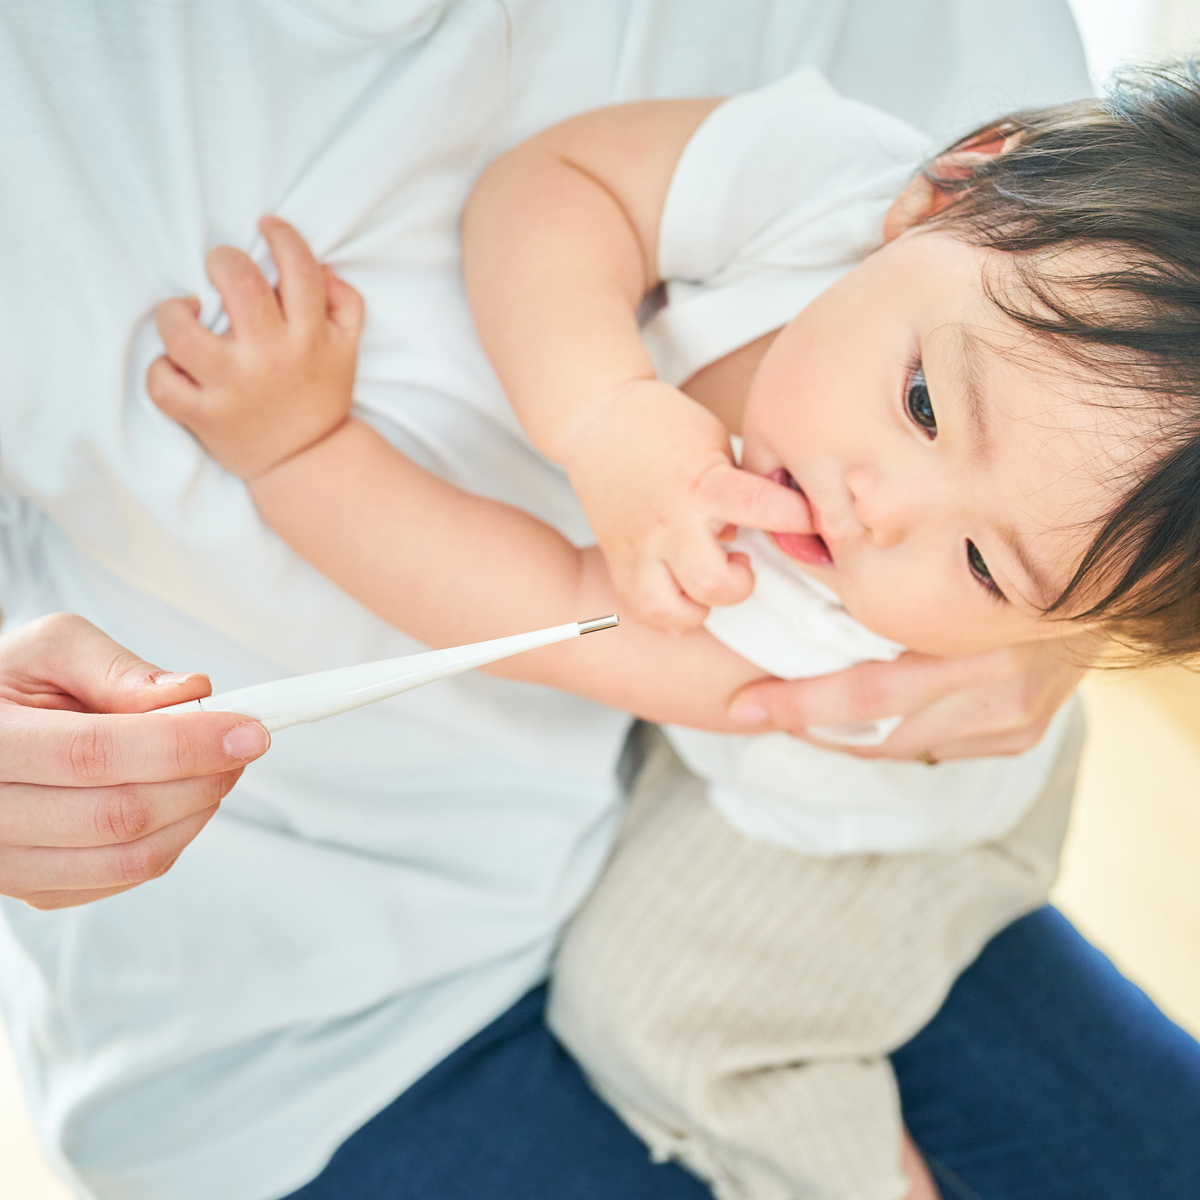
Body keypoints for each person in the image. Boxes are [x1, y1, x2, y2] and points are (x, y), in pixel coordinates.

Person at [0, 3, 1116, 1199]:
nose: (881, 514)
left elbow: (532, 602)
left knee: (663, 1023)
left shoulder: (820, 639)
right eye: (927, 408)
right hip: (312, 1025)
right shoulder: (835, 178)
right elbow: (565, 183)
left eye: (987, 566)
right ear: (949, 187)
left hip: (861, 837)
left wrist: (300, 454)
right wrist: (605, 411)